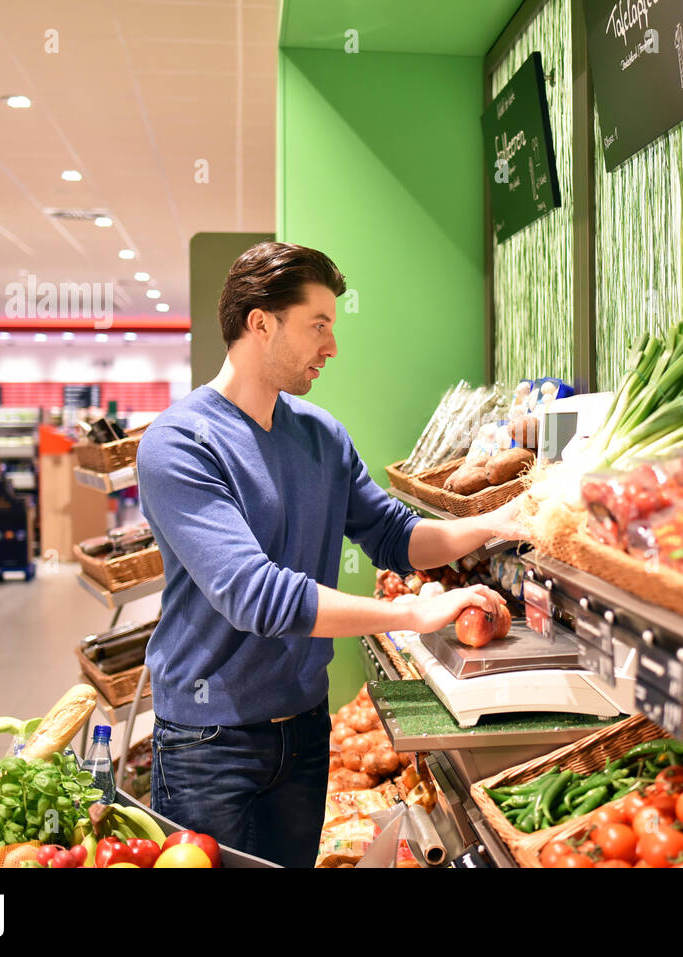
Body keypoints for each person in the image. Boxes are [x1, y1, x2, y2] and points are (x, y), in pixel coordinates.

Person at [135, 241, 525, 867]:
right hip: (211, 741)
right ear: (260, 324)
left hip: (304, 728)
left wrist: (500, 519)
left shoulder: (320, 435)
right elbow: (254, 595)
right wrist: (412, 615)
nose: (332, 346)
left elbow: (396, 535)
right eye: (318, 326)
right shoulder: (179, 445)